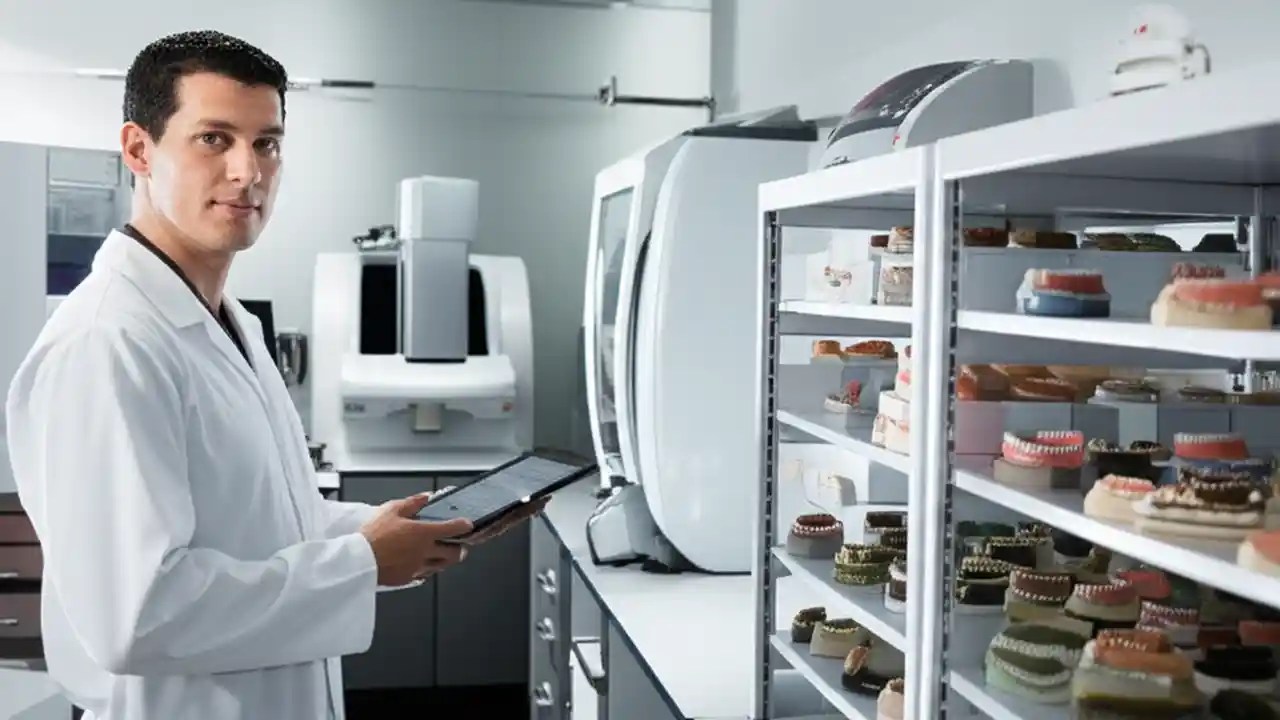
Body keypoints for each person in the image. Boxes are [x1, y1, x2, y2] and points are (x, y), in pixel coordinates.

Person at [5, 30, 543, 720]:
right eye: (214, 139)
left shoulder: (227, 323)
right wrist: (362, 564)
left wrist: (381, 529)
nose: (247, 171)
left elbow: (262, 525)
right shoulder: (108, 344)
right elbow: (136, 613)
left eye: (267, 143)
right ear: (140, 149)